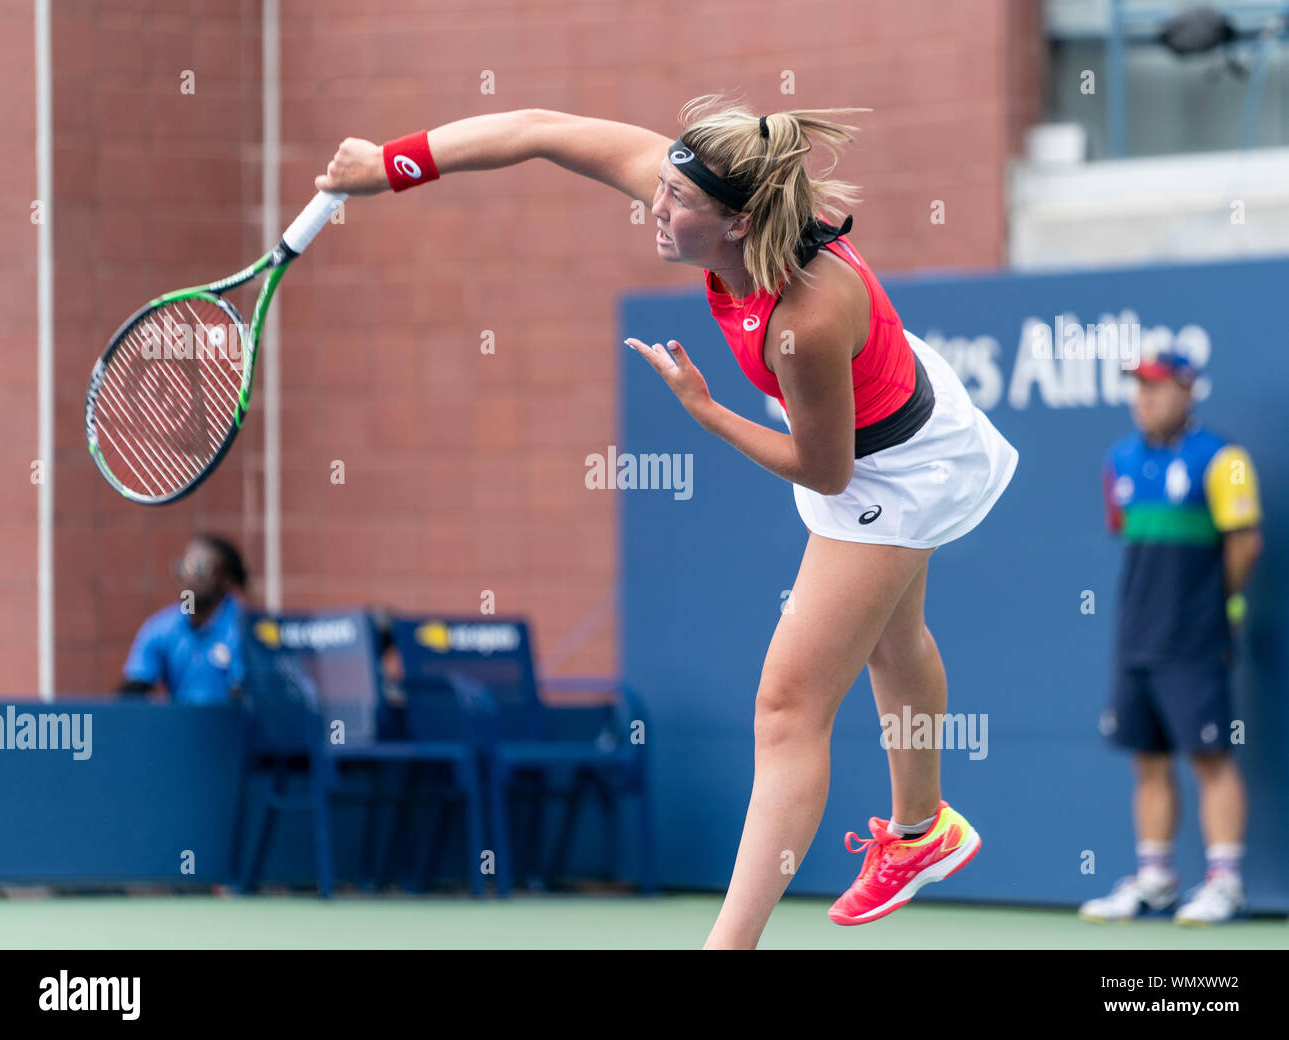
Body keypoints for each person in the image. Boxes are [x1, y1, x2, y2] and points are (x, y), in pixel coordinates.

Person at [314, 97, 1018, 948]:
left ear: (740, 223)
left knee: (788, 709)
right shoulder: (699, 192)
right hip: (886, 408)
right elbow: (540, 131)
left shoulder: (807, 318)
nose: (656, 206)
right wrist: (393, 165)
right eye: (663, 190)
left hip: (894, 465)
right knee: (891, 638)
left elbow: (826, 471)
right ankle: (922, 832)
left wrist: (708, 411)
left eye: (677, 205)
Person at [1081, 348, 1262, 925]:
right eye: (1138, 388)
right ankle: (1156, 879)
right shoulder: (1119, 460)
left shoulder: (1225, 460)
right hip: (1136, 635)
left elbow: (1245, 544)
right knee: (1148, 760)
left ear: (1188, 390)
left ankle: (1225, 882)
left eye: (1157, 387)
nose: (1145, 398)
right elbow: (1126, 536)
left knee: (1209, 757)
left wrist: (1215, 607)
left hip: (1195, 636)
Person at [119, 534, 248, 705]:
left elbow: (245, 697)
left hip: (231, 728)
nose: (188, 577)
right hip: (180, 728)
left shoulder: (246, 629)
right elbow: (133, 691)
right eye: (182, 567)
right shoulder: (161, 627)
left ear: (226, 580)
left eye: (200, 569)